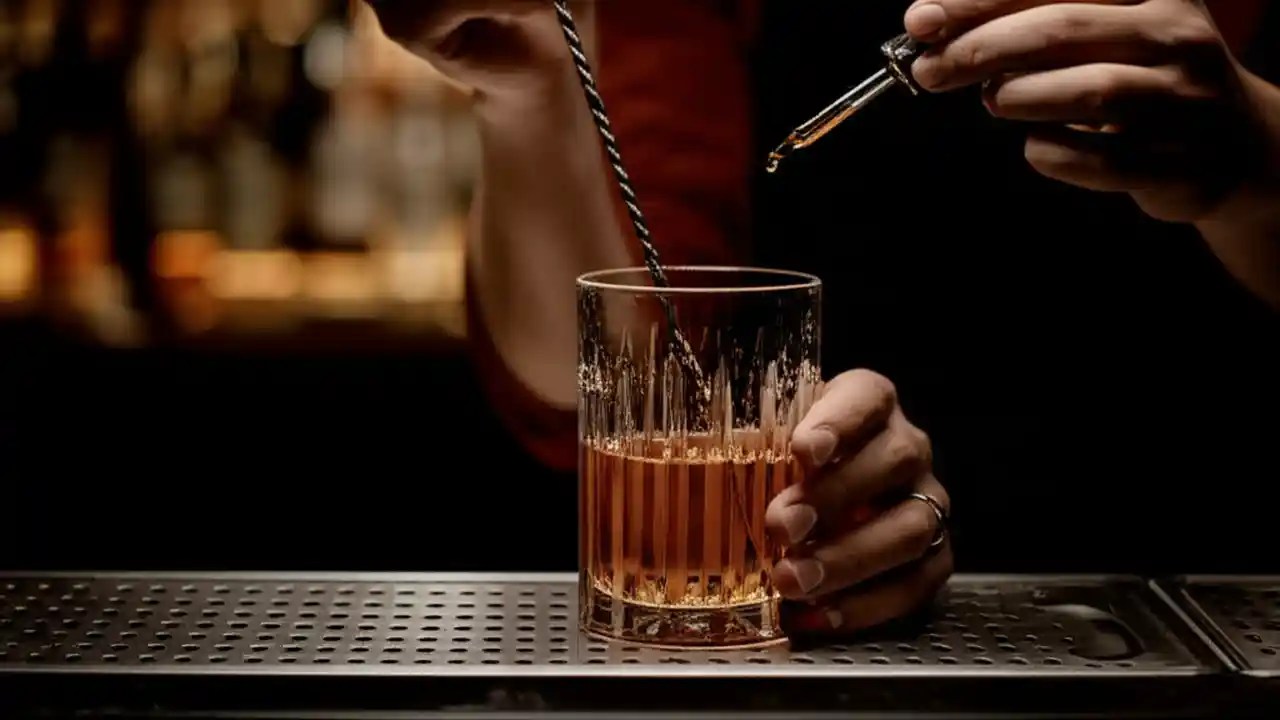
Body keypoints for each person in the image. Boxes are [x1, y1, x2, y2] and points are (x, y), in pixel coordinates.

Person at [367, 0, 1280, 633]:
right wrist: (530, 94)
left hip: (1218, 547)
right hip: (811, 617)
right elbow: (610, 369)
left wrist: (1259, 161)